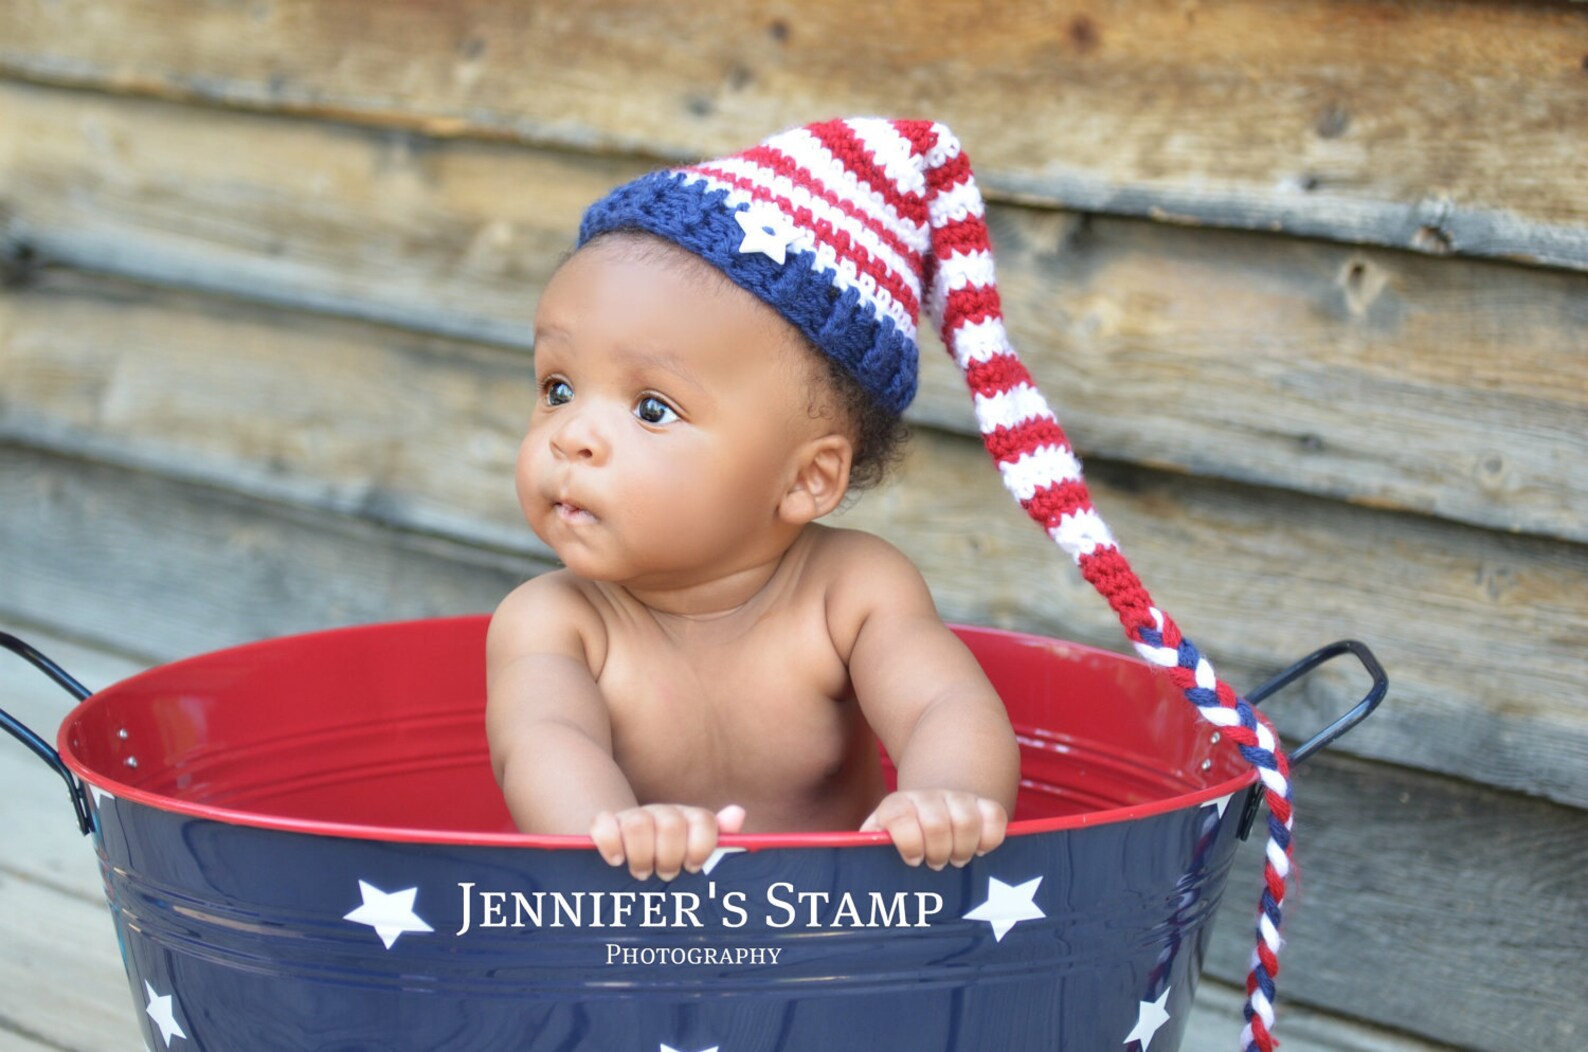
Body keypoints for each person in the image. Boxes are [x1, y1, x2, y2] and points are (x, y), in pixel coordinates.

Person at [486, 118, 1028, 882]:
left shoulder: (855, 591)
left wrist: (945, 798)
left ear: (807, 479)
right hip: (629, 938)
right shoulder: (556, 620)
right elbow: (540, 744)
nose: (572, 435)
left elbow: (946, 705)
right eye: (558, 388)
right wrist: (615, 830)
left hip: (848, 937)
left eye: (651, 408)